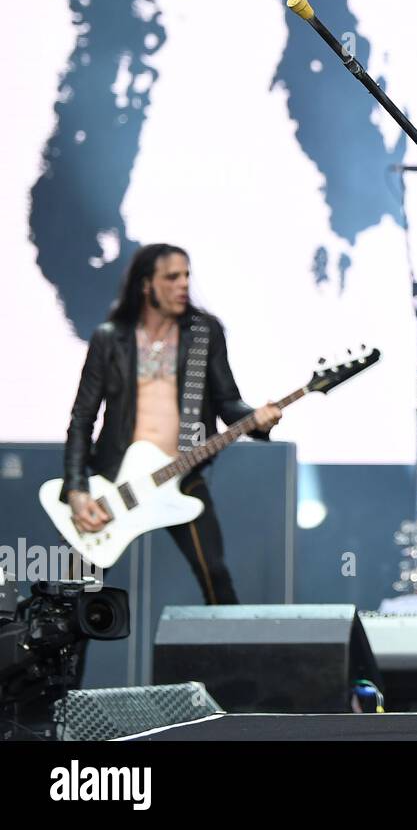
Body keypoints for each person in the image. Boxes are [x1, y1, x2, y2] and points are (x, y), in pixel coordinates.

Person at [62, 243, 282, 605]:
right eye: (172, 277)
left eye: (186, 275)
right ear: (147, 284)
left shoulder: (203, 333)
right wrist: (76, 490)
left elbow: (227, 400)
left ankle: (228, 659)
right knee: (73, 596)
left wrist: (257, 420)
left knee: (216, 576)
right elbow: (82, 418)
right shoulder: (110, 337)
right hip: (112, 479)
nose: (183, 284)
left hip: (181, 472)